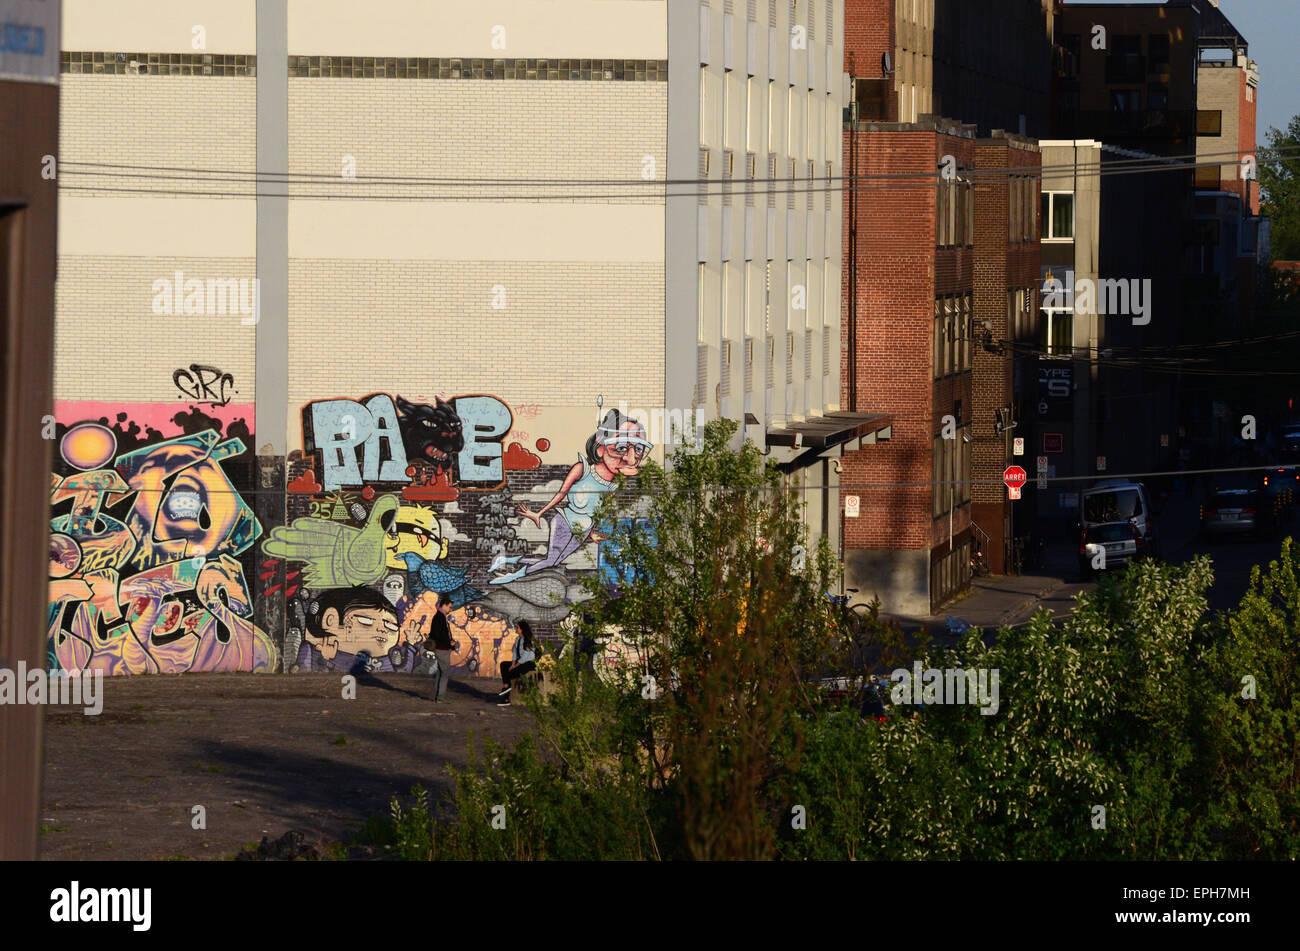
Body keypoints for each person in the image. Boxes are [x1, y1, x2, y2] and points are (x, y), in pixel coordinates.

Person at [488, 409, 650, 584]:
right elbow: (560, 494)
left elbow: (596, 513)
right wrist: (539, 513)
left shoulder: (612, 486)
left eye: (638, 449)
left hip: (584, 529)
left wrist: (592, 534)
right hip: (565, 521)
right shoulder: (582, 469)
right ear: (601, 448)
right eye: (621, 448)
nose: (630, 459)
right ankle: (512, 577)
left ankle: (508, 561)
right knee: (550, 560)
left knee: (553, 561)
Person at [497, 619, 539, 707]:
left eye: (517, 627)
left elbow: (525, 657)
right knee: (504, 665)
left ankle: (506, 697)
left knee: (509, 673)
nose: (516, 628)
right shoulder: (517, 639)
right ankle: (506, 686)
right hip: (520, 662)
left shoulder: (529, 640)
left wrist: (515, 665)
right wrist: (512, 664)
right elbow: (515, 653)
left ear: (522, 629)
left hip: (528, 664)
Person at [426, 594, 455, 702]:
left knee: (440, 672)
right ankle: (441, 697)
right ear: (444, 605)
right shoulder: (439, 617)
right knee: (445, 672)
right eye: (450, 607)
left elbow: (439, 634)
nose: (450, 610)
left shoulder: (439, 616)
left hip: (441, 647)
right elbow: (440, 635)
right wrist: (449, 642)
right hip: (442, 649)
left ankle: (436, 695)